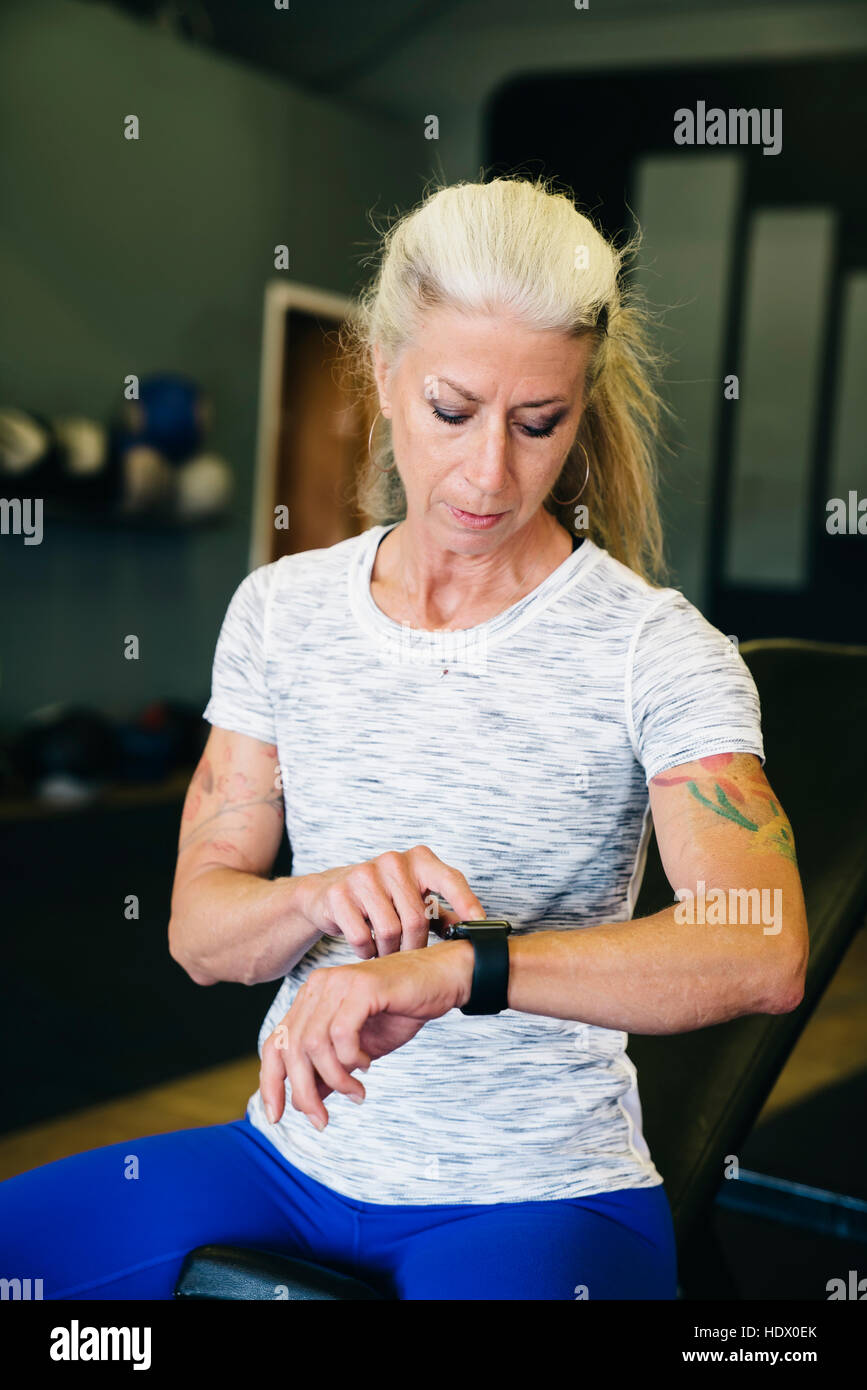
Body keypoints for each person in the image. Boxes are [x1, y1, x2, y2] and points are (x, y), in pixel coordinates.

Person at [0, 175, 808, 1301]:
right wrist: (319, 897)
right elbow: (200, 931)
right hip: (289, 1159)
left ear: (581, 407)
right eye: (452, 409)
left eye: (540, 424)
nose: (490, 472)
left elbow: (760, 945)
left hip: (541, 1190)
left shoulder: (653, 648)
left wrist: (457, 968)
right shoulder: (281, 610)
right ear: (382, 374)